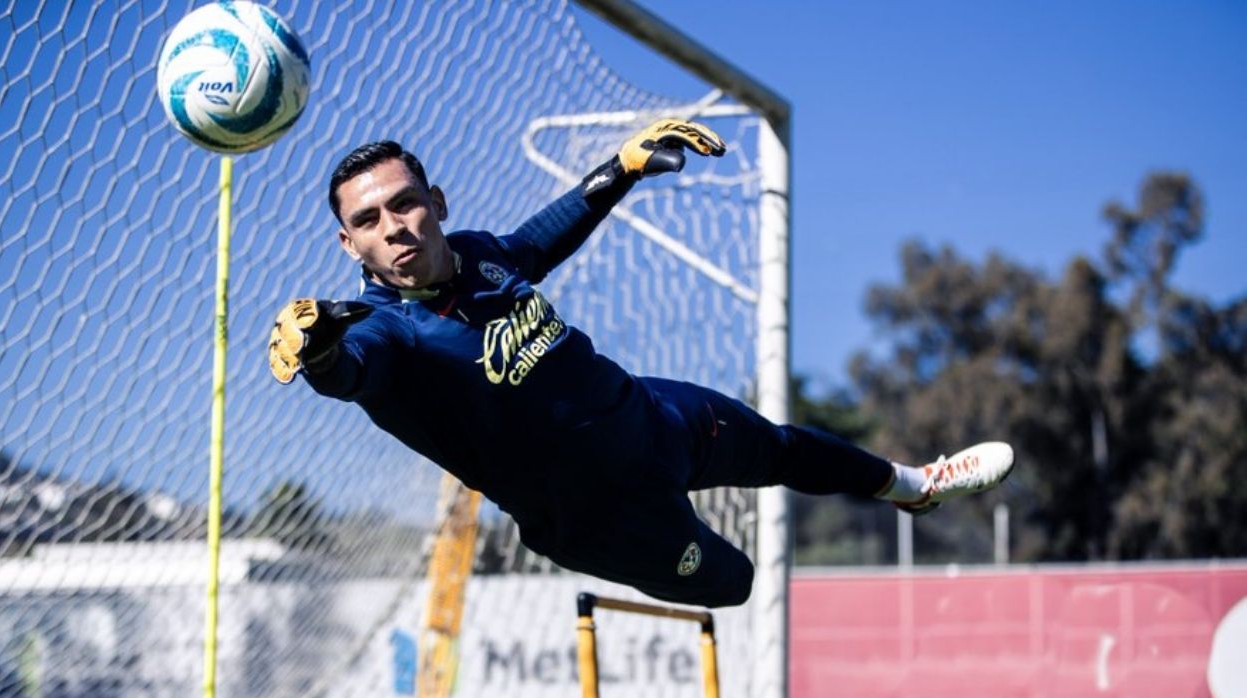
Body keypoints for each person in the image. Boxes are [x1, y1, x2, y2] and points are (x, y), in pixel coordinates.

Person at [267, 119, 1014, 608]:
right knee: (739, 583)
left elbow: (541, 238)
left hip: (650, 418)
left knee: (783, 446)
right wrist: (322, 354)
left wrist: (620, 167)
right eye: (367, 220)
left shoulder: (480, 256)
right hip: (601, 517)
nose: (393, 227)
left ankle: (917, 486)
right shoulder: (376, 330)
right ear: (348, 245)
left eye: (404, 204)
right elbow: (351, 370)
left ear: (437, 200)